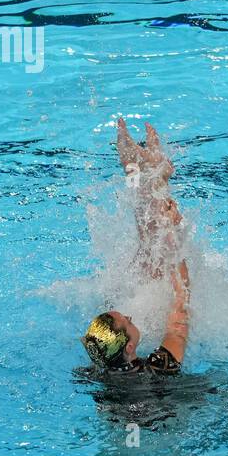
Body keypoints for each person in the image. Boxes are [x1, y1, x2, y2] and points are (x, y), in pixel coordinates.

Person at [81, 118, 190, 375]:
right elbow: (180, 317)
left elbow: (181, 312)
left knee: (148, 261)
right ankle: (149, 179)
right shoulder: (157, 369)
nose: (131, 317)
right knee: (155, 256)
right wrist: (172, 237)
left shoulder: (101, 374)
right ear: (130, 347)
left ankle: (147, 180)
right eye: (128, 322)